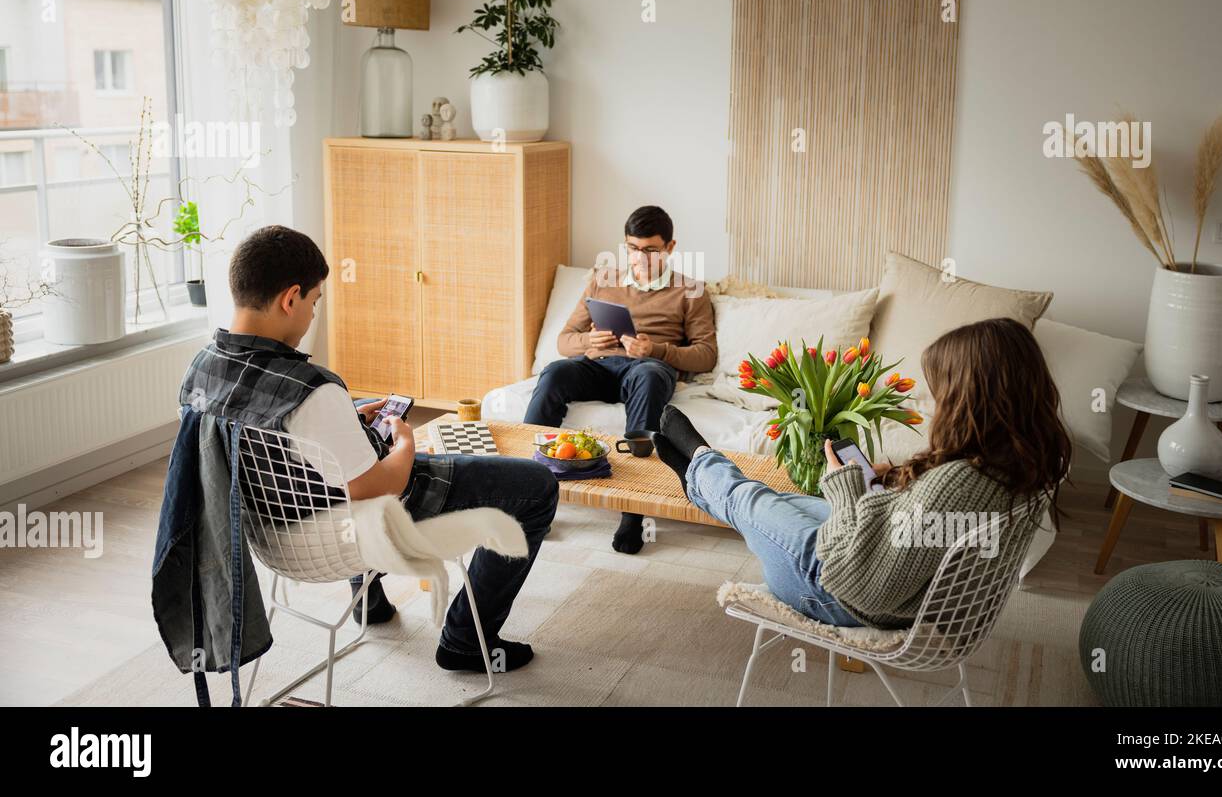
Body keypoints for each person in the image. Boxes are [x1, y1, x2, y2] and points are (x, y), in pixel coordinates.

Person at [177, 225, 557, 673]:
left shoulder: (201, 370)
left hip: (265, 535)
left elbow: (278, 446)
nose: (312, 316)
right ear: (290, 298)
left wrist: (346, 418)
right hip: (341, 533)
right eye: (315, 303)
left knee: (362, 451)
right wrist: (406, 440)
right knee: (537, 486)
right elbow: (380, 484)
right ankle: (467, 641)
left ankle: (369, 603)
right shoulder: (312, 389)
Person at [650, 318, 1070, 628]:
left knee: (752, 501)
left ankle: (701, 461)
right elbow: (919, 530)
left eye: (941, 391)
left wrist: (848, 485)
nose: (936, 404)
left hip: (841, 597)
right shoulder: (1021, 463)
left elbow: (860, 584)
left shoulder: (957, 481)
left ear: (971, 397)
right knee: (780, 500)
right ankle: (703, 482)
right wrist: (892, 484)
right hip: (903, 585)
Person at [524, 205, 717, 553]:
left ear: (670, 248)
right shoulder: (603, 280)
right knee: (554, 373)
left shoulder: (691, 290)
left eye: (650, 250)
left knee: (649, 375)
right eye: (632, 248)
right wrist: (588, 341)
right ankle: (527, 496)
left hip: (647, 369)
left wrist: (656, 349)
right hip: (600, 365)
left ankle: (633, 511)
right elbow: (564, 340)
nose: (639, 258)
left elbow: (706, 355)